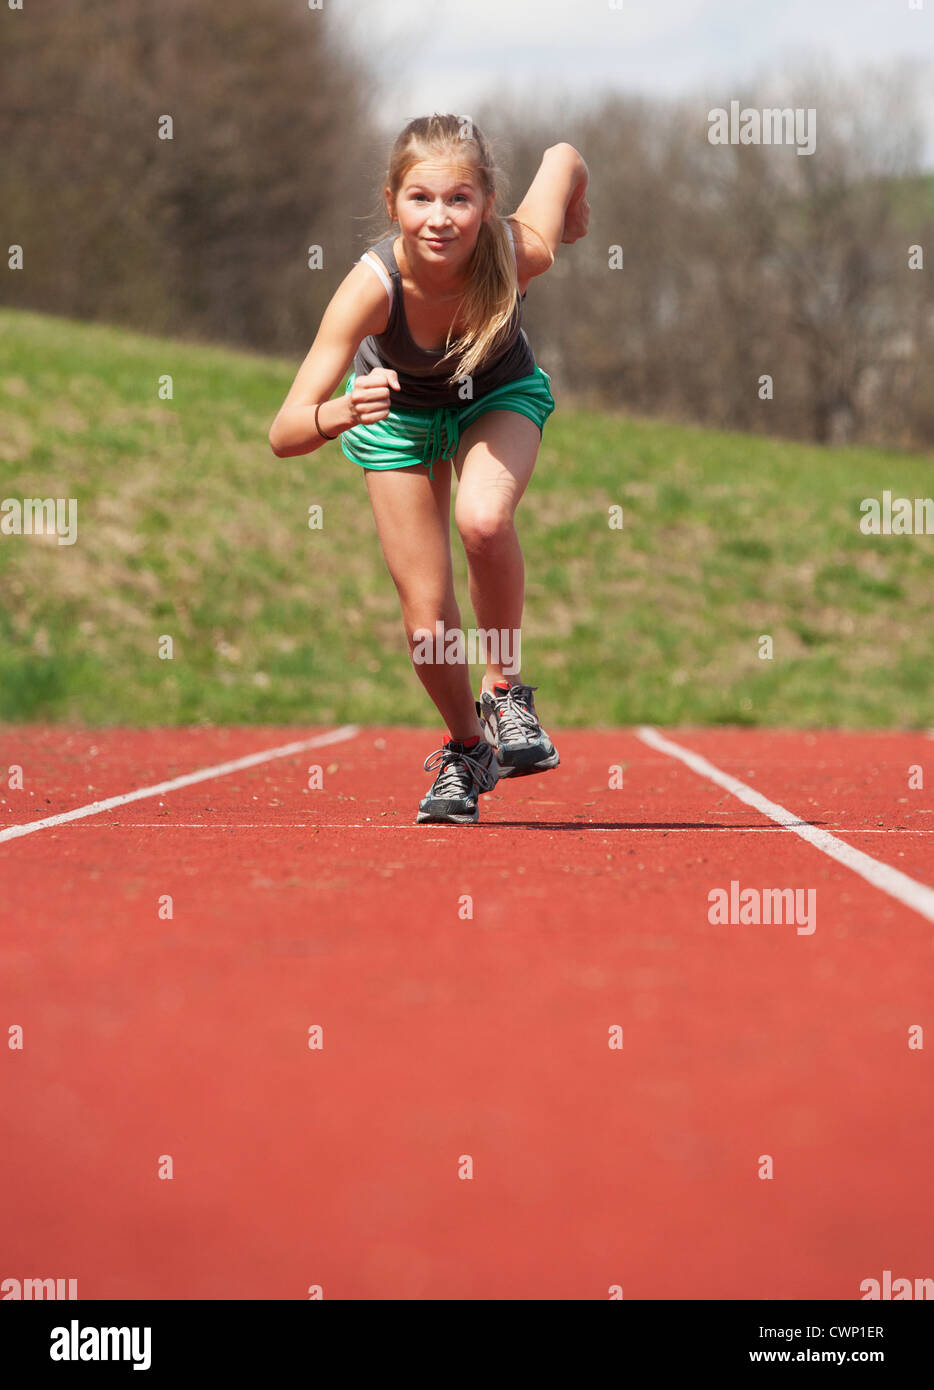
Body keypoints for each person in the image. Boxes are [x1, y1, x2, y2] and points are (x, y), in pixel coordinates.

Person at [269, 114, 590, 825]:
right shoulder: (370, 289)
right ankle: (468, 749)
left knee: (482, 519)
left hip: (496, 394)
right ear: (391, 203)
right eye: (421, 199)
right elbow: (284, 430)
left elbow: (563, 156)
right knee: (425, 626)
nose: (439, 219)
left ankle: (505, 691)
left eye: (459, 200)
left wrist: (577, 202)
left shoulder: (515, 249)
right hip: (397, 418)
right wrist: (340, 412)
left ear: (486, 204)